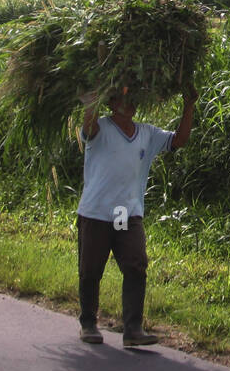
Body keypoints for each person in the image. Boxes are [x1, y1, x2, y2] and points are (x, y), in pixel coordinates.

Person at [75, 82, 198, 347]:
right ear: (110, 103)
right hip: (96, 211)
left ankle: (132, 329)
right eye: (122, 98)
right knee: (90, 270)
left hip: (127, 214)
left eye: (133, 98)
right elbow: (88, 128)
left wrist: (189, 105)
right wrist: (90, 103)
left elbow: (180, 140)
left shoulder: (147, 134)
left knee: (135, 265)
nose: (130, 103)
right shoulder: (100, 128)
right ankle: (88, 323)